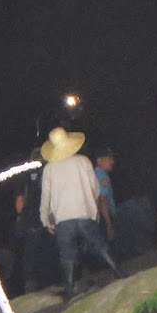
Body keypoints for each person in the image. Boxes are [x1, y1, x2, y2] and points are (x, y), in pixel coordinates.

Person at [39, 126, 121, 298]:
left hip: (63, 218)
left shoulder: (49, 169)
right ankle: (117, 270)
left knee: (67, 253)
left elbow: (46, 196)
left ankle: (69, 288)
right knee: (99, 244)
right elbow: (95, 189)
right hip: (84, 213)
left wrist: (45, 219)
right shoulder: (84, 161)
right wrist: (93, 208)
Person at [93, 148, 117, 245]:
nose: (112, 161)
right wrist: (109, 223)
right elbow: (102, 200)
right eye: (109, 158)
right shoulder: (100, 174)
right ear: (99, 160)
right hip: (105, 216)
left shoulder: (94, 174)